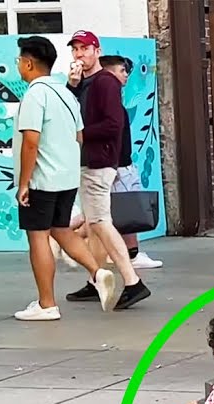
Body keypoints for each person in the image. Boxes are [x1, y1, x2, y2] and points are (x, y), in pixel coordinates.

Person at [12, 35, 117, 321]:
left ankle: (47, 304)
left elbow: (31, 141)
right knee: (61, 228)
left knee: (37, 237)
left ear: (29, 63)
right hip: (67, 177)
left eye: (19, 60)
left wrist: (24, 182)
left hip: (41, 180)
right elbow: (79, 136)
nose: (19, 65)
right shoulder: (66, 94)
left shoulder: (35, 94)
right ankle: (98, 272)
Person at [66, 29, 150, 309]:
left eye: (85, 48)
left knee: (100, 222)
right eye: (75, 49)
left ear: (97, 51)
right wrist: (73, 86)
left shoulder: (105, 82)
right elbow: (75, 112)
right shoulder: (86, 83)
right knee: (94, 224)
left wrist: (82, 135)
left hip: (98, 162)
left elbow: (113, 124)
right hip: (91, 160)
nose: (79, 54)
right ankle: (96, 279)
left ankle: (132, 281)